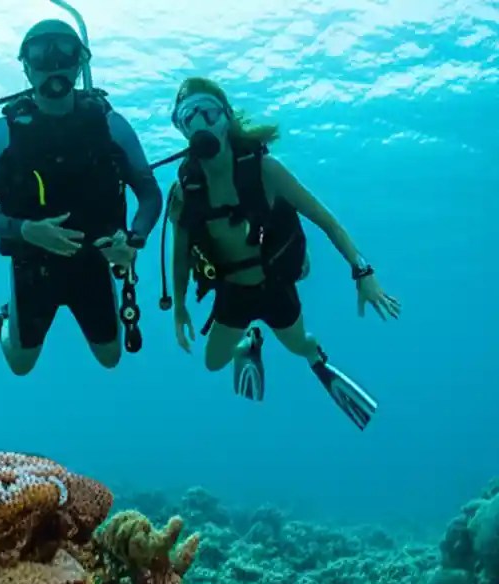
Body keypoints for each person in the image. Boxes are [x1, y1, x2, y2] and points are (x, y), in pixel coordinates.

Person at [155, 77, 401, 430]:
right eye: (187, 116)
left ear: (226, 117)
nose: (199, 123)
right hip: (233, 290)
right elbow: (179, 257)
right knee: (213, 361)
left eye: (208, 112)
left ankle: (317, 359)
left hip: (274, 285)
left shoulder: (265, 170)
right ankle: (249, 342)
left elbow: (327, 221)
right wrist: (178, 307)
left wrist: (363, 272)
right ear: (180, 127)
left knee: (299, 345)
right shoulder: (184, 191)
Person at [0, 18, 163, 376]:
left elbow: (148, 192)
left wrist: (133, 239)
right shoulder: (0, 135)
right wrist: (25, 230)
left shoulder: (111, 125)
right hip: (33, 263)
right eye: (40, 55)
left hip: (95, 258)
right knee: (21, 365)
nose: (54, 65)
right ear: (26, 66)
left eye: (65, 53)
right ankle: (4, 321)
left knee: (111, 358)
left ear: (81, 62)